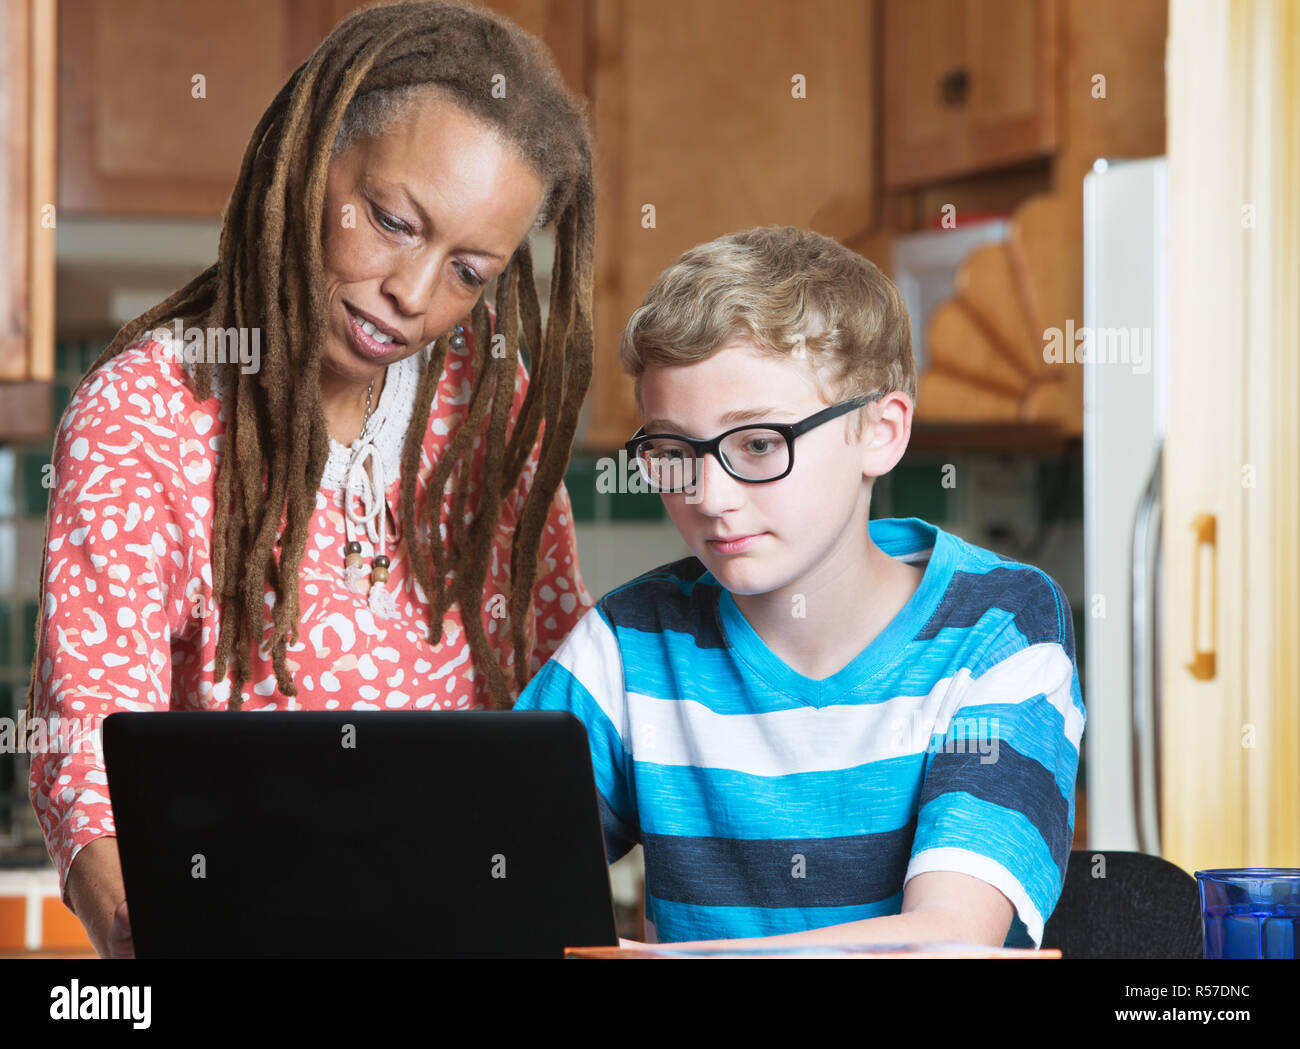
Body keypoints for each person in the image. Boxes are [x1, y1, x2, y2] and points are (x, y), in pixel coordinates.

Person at [26, 0, 596, 959]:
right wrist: (145, 928)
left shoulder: (490, 400)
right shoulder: (149, 411)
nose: (413, 294)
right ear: (311, 158)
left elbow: (571, 698)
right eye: (391, 222)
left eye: (468, 271)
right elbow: (81, 755)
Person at [515, 226, 1085, 950]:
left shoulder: (998, 627)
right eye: (673, 451)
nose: (710, 495)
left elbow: (941, 944)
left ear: (880, 431)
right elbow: (482, 870)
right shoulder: (631, 643)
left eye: (757, 443)